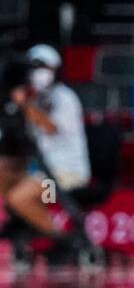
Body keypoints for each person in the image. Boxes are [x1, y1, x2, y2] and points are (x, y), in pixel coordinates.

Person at [0, 44, 94, 256]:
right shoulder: (35, 97)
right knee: (2, 172)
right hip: (42, 169)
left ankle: (62, 239)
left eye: (44, 67)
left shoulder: (64, 98)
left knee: (20, 198)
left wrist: (25, 105)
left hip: (64, 176)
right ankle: (22, 222)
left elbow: (50, 128)